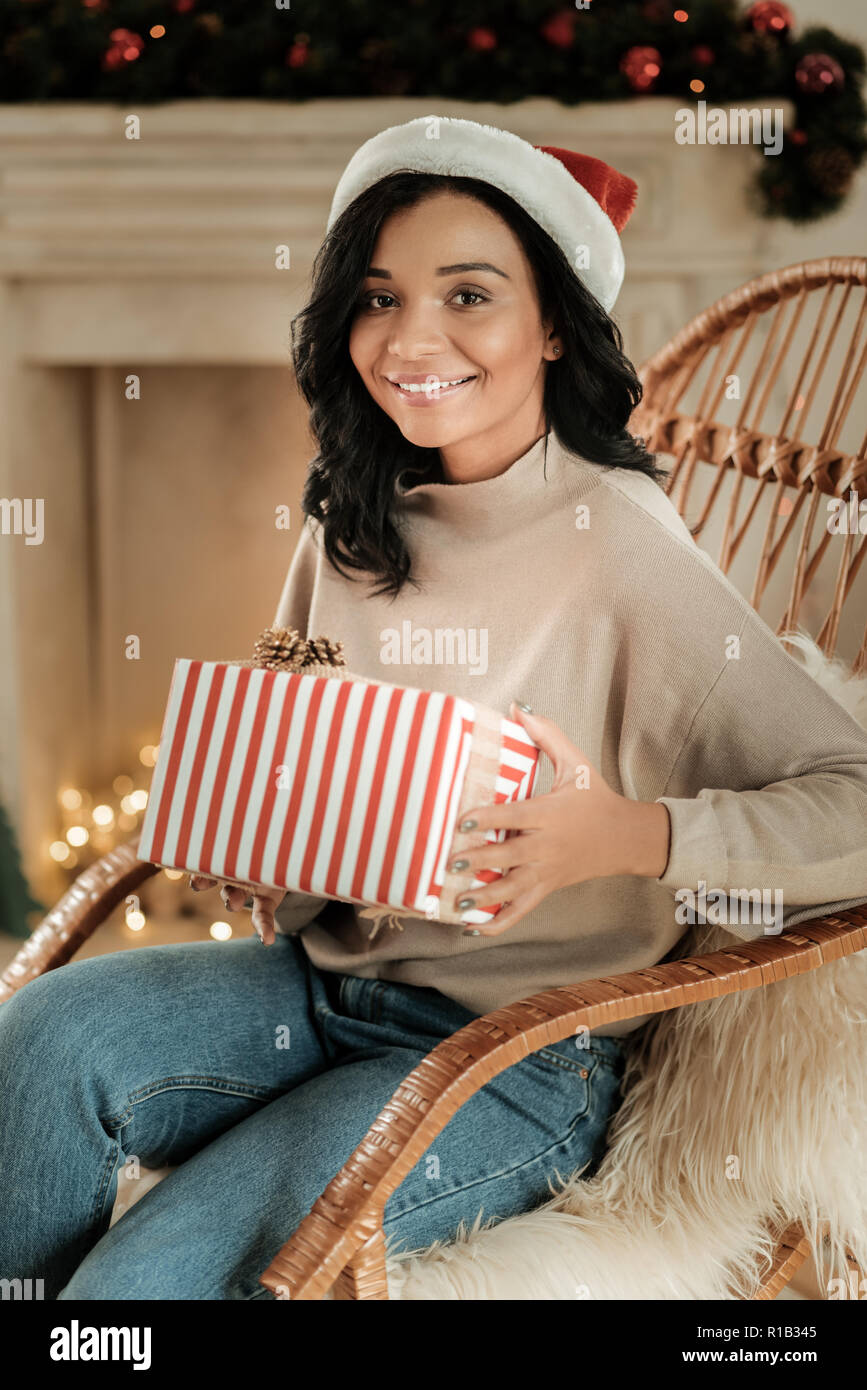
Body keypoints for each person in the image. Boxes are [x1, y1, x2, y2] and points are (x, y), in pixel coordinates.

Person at [2, 116, 866, 1302]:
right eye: (378, 296)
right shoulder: (350, 519)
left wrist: (625, 836)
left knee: (148, 1277)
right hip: (313, 989)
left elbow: (853, 798)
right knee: (42, 1038)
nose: (412, 338)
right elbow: (318, 781)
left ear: (553, 324)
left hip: (514, 1059)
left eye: (470, 295)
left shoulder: (620, 547)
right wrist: (268, 847)